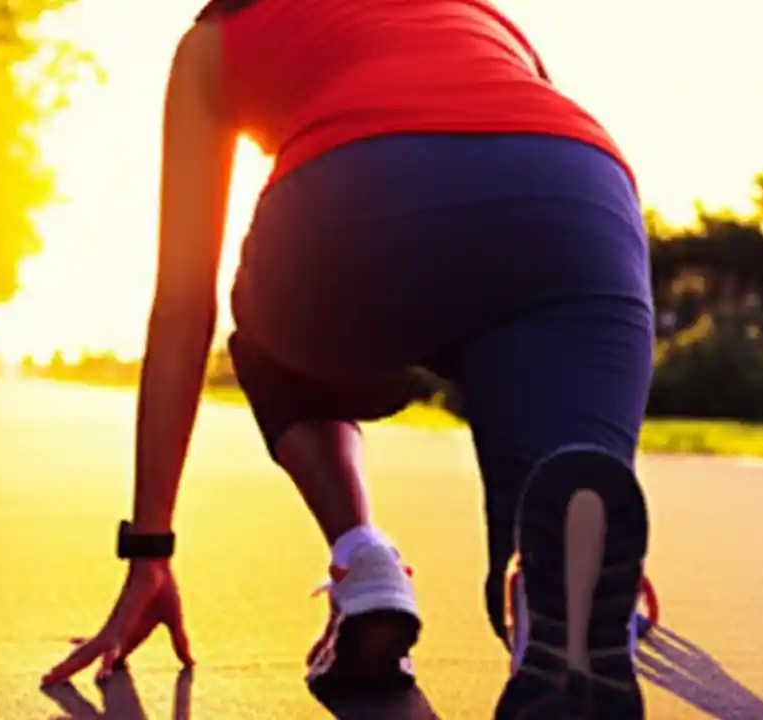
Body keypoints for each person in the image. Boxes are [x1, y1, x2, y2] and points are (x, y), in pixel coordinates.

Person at [43, 0, 654, 716]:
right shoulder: (475, 11)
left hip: (356, 203)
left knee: (265, 335)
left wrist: (149, 551)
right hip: (578, 197)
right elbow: (505, 169)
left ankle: (363, 563)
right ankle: (559, 588)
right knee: (550, 504)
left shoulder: (215, 39)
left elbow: (182, 306)